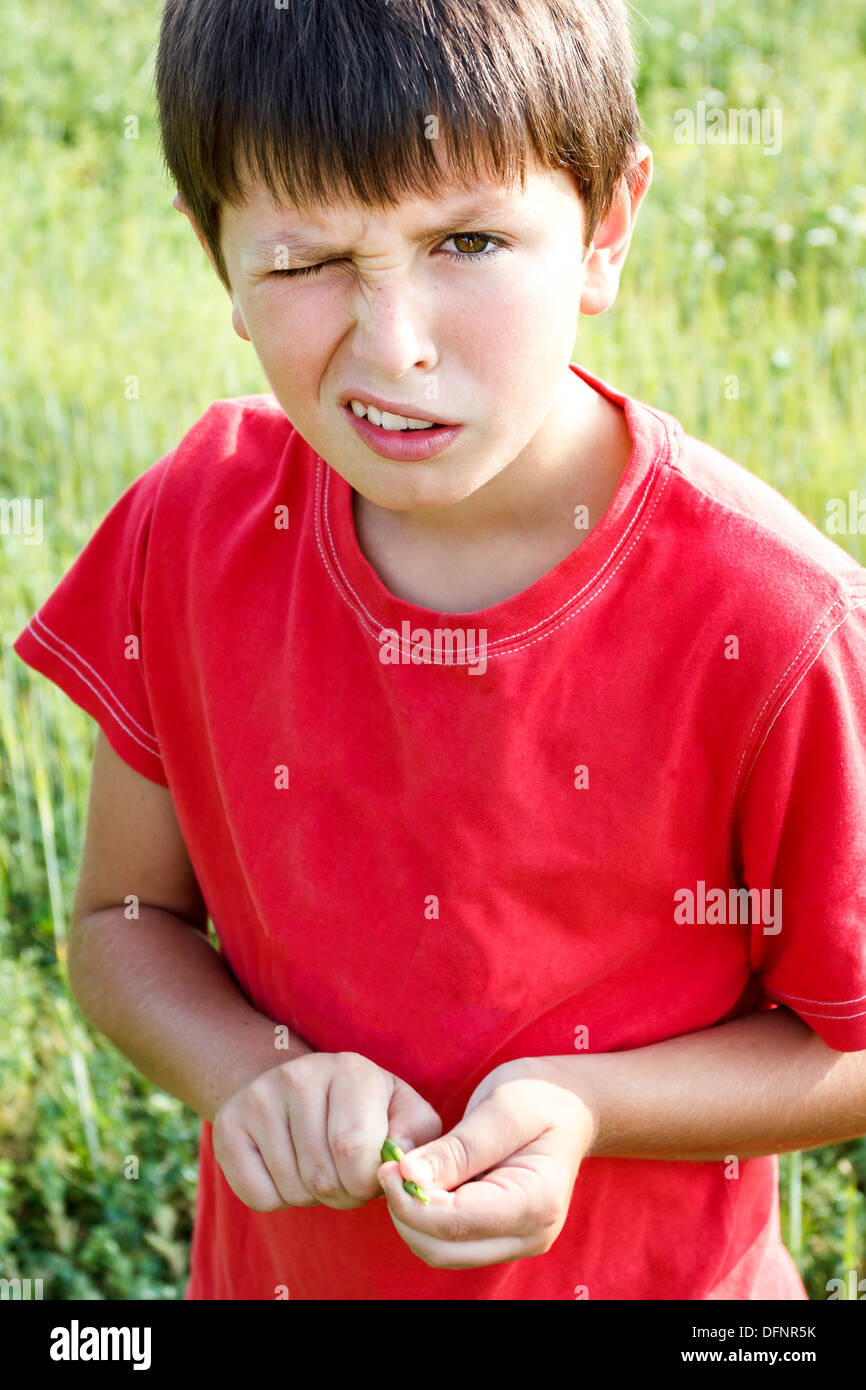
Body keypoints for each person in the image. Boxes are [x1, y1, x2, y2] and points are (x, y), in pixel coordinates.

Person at [13, 0, 866, 1300]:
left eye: (467, 240)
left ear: (604, 227)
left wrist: (584, 1103)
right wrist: (253, 1071)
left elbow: (848, 1043)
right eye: (306, 262)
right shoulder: (186, 529)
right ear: (214, 253)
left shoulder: (778, 620)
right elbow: (125, 922)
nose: (394, 340)